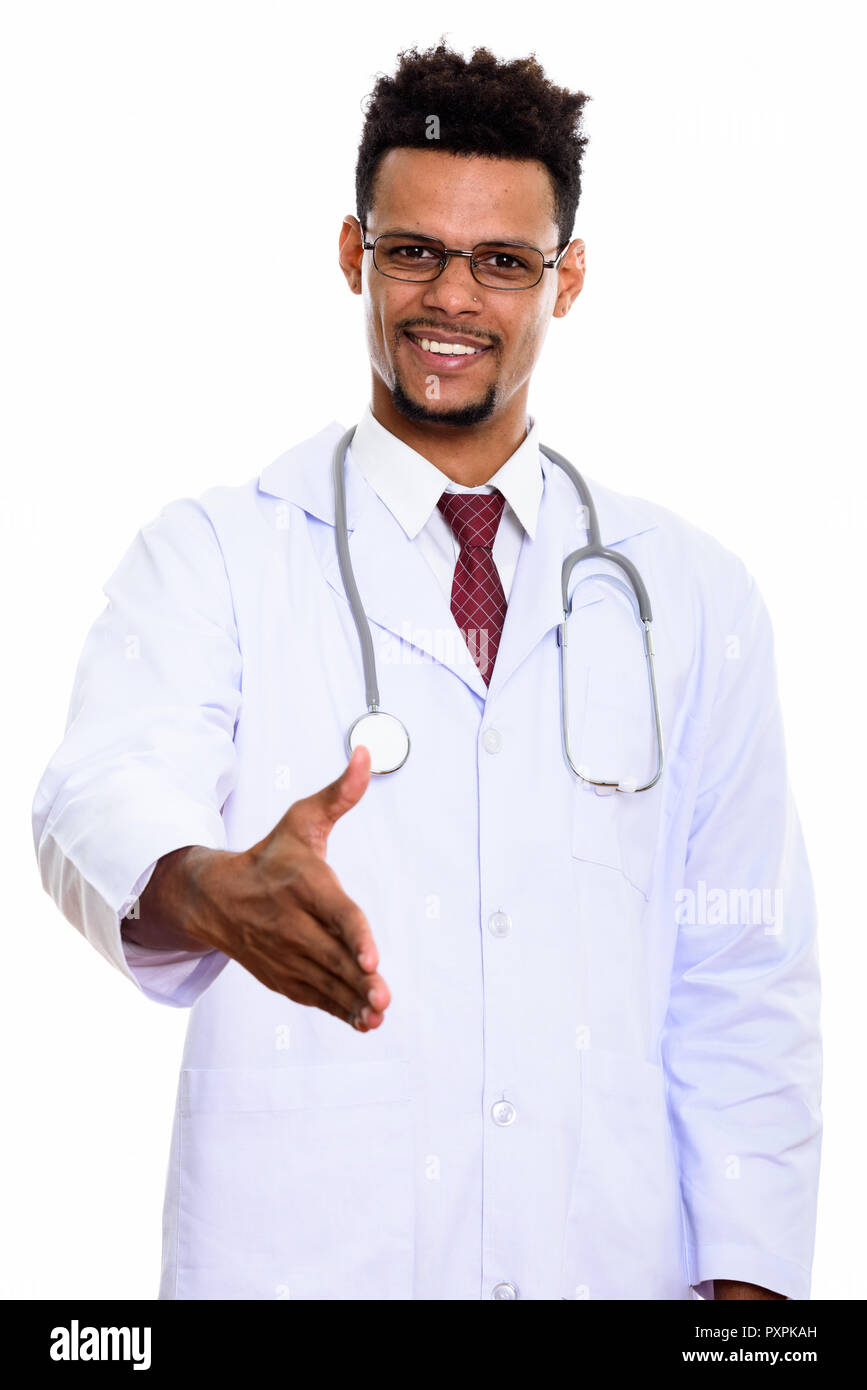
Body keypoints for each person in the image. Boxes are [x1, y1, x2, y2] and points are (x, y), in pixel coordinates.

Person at [31, 42, 821, 1301]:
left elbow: (743, 974)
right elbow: (99, 788)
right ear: (355, 255)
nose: (452, 297)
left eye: (502, 261)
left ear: (565, 281)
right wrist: (210, 885)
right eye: (414, 251)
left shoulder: (696, 596)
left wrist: (751, 1307)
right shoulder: (217, 554)